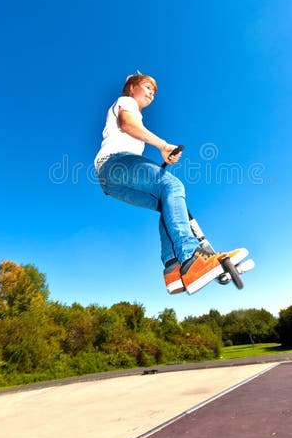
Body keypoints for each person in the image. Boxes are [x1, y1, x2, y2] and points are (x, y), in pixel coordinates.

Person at [94, 73, 247, 295]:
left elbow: (130, 129)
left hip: (111, 182)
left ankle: (174, 269)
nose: (151, 93)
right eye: (147, 87)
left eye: (154, 92)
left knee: (167, 205)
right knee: (173, 187)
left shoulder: (134, 113)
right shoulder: (126, 102)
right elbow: (127, 125)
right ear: (131, 88)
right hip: (116, 162)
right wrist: (163, 146)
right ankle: (191, 257)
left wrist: (164, 154)